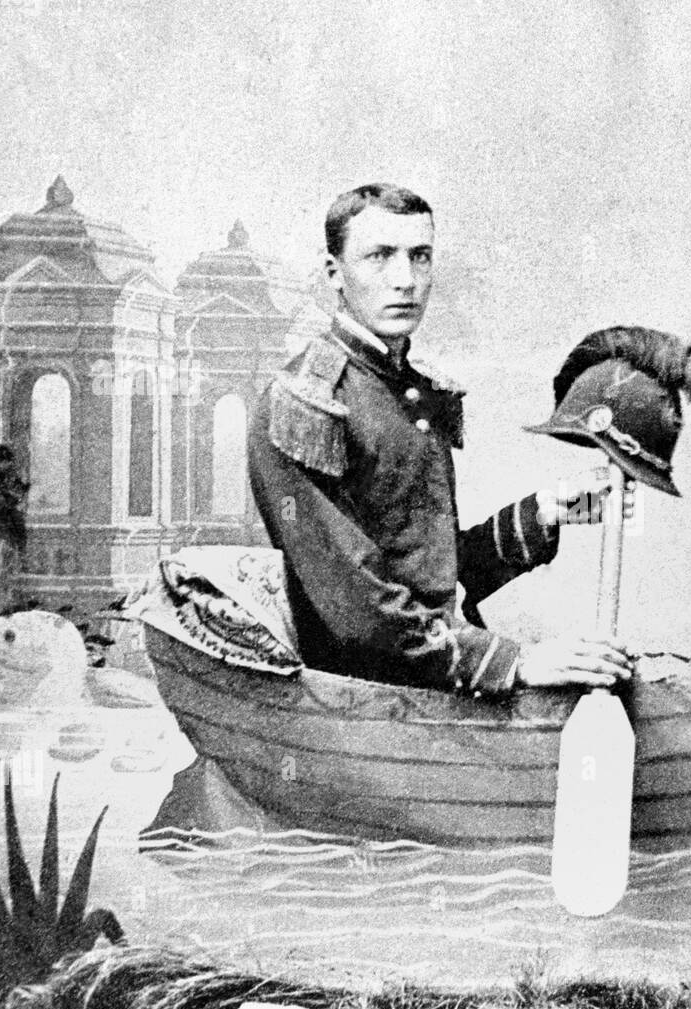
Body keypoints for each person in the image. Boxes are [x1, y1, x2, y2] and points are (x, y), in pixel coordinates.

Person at [247, 183, 633, 695]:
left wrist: (547, 511)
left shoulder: (416, 390)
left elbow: (435, 572)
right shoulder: (305, 404)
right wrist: (515, 663)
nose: (405, 279)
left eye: (420, 256)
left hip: (437, 676)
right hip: (366, 697)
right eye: (380, 256)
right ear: (334, 274)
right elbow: (358, 607)